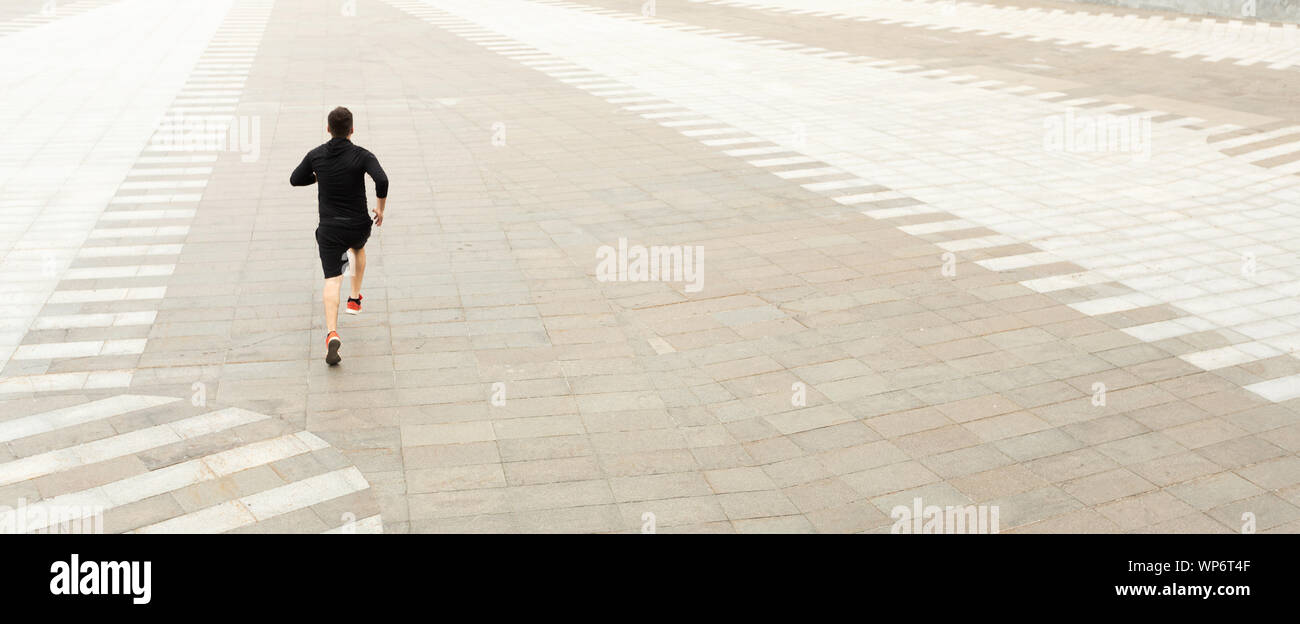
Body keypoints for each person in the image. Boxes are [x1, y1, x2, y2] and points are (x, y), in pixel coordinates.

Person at [290, 106, 388, 365]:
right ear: (352, 130)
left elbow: (295, 179)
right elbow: (382, 180)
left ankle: (332, 332)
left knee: (332, 279)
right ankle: (354, 300)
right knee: (357, 249)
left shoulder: (316, 155)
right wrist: (380, 208)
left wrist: (319, 176)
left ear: (328, 129)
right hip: (357, 225)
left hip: (330, 229)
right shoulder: (362, 155)